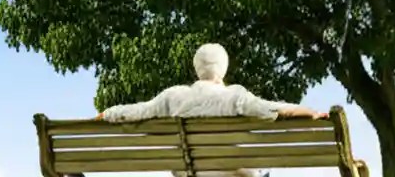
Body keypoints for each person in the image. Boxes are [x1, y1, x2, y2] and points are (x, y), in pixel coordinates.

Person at [93, 43, 328, 177]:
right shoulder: (235, 96)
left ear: (196, 68)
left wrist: (108, 113)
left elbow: (137, 111)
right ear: (224, 69)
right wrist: (310, 112)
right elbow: (276, 109)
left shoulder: (173, 97)